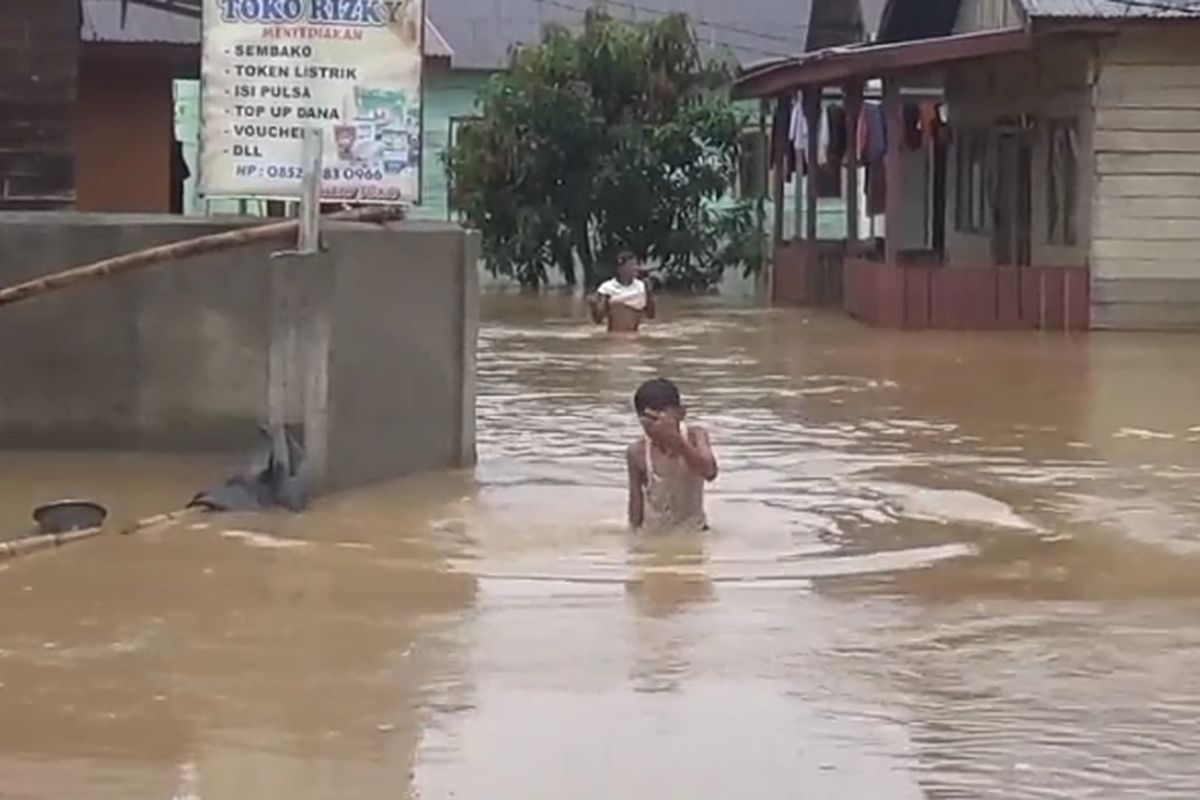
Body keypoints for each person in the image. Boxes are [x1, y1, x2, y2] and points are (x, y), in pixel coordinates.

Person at [626, 378, 718, 532]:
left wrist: (679, 443)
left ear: (681, 414)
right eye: (648, 424)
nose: (657, 429)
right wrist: (633, 539)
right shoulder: (637, 452)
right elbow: (636, 504)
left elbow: (710, 472)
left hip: (695, 530)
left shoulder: (696, 437)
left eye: (661, 420)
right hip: (654, 533)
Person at [589, 251, 655, 333]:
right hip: (615, 331)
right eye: (631, 265)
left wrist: (649, 293)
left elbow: (650, 315)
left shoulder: (642, 286)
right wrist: (594, 306)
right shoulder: (606, 288)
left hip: (636, 330)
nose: (636, 268)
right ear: (620, 268)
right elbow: (598, 320)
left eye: (636, 264)